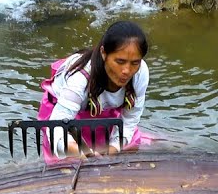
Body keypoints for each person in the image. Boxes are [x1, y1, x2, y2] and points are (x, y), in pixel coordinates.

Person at [36, 20, 153, 165]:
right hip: (63, 113)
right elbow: (57, 128)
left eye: (135, 63)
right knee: (68, 164)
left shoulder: (140, 74)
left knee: (123, 151)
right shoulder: (79, 79)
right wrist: (77, 150)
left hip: (101, 110)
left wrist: (113, 149)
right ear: (104, 53)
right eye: (120, 61)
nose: (127, 71)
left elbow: (130, 119)